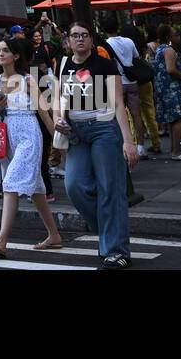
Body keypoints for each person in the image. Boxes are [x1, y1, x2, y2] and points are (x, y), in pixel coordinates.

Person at [54, 22, 139, 269]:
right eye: (74, 36)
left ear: (92, 40)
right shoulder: (63, 64)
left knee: (110, 190)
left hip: (104, 129)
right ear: (68, 40)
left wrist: (128, 140)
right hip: (76, 133)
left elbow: (117, 102)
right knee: (74, 186)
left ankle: (117, 250)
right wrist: (59, 118)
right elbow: (60, 97)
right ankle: (110, 232)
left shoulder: (104, 64)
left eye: (84, 35)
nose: (80, 39)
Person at [0, 35, 62, 257]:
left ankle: (1, 240)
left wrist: (58, 143)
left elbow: (44, 115)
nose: (0, 53)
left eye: (5, 50)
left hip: (29, 134)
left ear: (16, 55)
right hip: (9, 135)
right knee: (36, 190)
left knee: (10, 183)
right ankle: (54, 235)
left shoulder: (29, 80)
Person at [101, 13, 148, 160]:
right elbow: (136, 58)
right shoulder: (129, 41)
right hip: (132, 81)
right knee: (136, 114)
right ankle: (141, 146)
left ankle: (123, 144)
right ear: (118, 27)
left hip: (118, 82)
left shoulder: (106, 44)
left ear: (103, 29)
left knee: (118, 115)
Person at [152, 25, 181, 160]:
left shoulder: (159, 49)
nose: (177, 36)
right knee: (178, 118)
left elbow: (166, 66)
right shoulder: (169, 50)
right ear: (169, 37)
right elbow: (171, 69)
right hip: (173, 87)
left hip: (163, 87)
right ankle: (176, 151)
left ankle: (174, 150)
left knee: (172, 120)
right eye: (175, 34)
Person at [122, 25, 162, 153]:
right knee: (149, 112)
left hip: (130, 80)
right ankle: (156, 142)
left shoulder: (123, 45)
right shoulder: (142, 45)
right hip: (145, 80)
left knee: (133, 113)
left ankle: (137, 143)